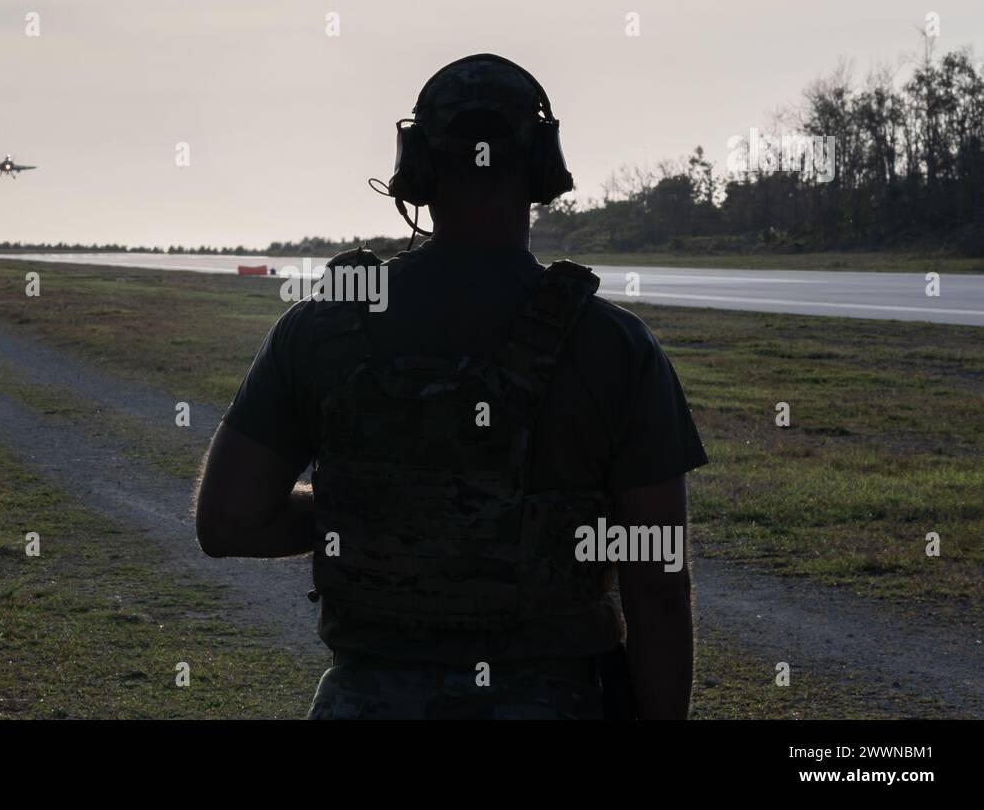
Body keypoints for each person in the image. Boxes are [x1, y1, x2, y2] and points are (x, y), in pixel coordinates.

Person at [195, 54, 707, 719]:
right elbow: (657, 582)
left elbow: (228, 519)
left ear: (417, 170)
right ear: (543, 167)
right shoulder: (613, 346)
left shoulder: (328, 325)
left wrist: (374, 513)